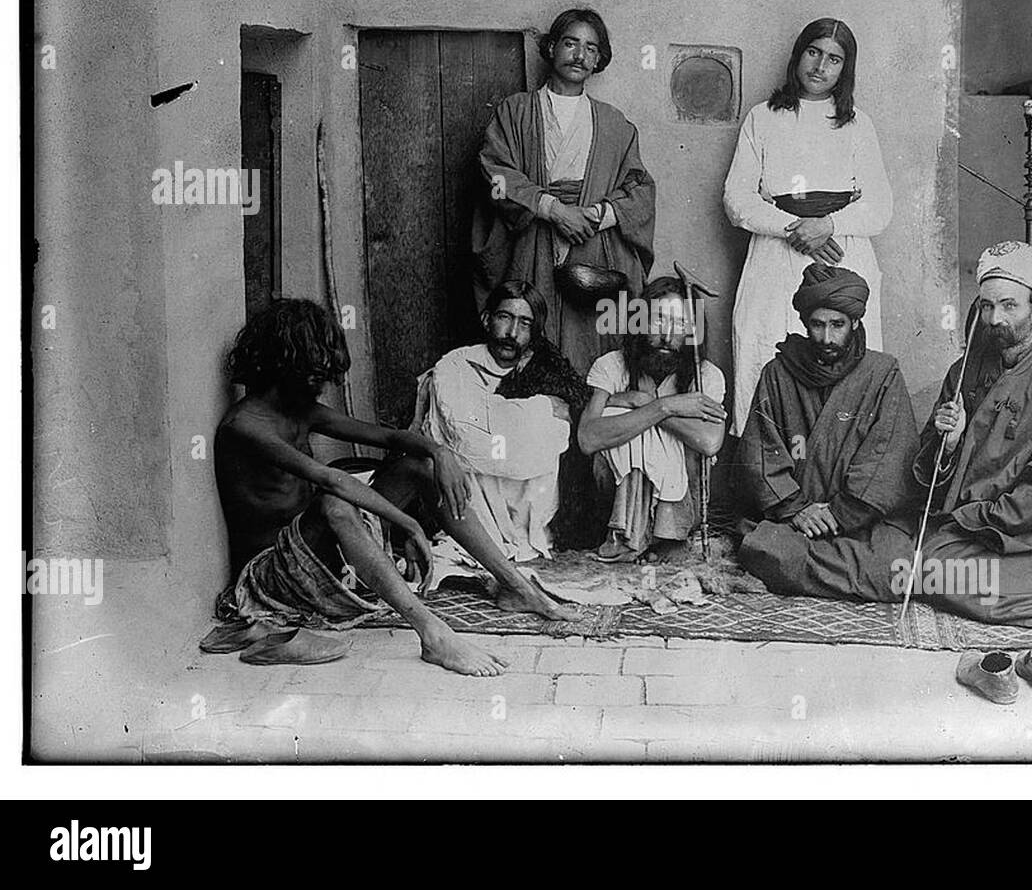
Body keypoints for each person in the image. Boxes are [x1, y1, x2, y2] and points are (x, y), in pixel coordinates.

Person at [743, 243, 1032, 628]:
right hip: (963, 527)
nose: (995, 318)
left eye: (1009, 306)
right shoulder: (963, 374)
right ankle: (780, 552)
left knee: (937, 574)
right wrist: (949, 445)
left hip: (1031, 535)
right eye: (986, 306)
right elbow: (924, 472)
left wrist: (979, 516)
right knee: (912, 564)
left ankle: (783, 555)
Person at [211, 299, 578, 676]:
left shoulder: (299, 410)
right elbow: (329, 479)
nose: (319, 387)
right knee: (334, 504)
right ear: (282, 365)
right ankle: (433, 635)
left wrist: (439, 452)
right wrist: (408, 523)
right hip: (271, 576)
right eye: (312, 376)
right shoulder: (245, 425)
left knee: (417, 467)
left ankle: (516, 587)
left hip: (316, 558)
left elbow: (387, 436)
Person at [724, 17, 894, 436]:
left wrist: (829, 225)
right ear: (799, 54)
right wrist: (795, 229)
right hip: (776, 253)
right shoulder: (762, 118)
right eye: (813, 52)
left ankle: (839, 466)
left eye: (834, 59)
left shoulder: (857, 125)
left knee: (842, 349)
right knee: (767, 345)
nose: (820, 66)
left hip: (842, 251)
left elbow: (880, 207)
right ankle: (767, 470)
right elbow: (736, 200)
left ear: (845, 69)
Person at [474, 7, 656, 373]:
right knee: (531, 332)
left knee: (593, 343)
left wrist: (597, 215)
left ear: (599, 59)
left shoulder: (614, 123)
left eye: (591, 48)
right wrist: (554, 210)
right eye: (571, 43)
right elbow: (495, 172)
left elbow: (640, 189)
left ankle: (591, 420)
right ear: (552, 47)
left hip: (595, 242)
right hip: (534, 238)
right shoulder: (516, 110)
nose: (579, 55)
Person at [735, 263, 920, 595]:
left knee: (891, 565)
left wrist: (840, 513)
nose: (827, 338)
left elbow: (888, 457)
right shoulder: (777, 373)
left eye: (837, 325)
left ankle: (805, 571)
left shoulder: (883, 373)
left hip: (861, 519)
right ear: (805, 323)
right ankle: (833, 570)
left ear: (855, 323)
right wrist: (797, 509)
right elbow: (762, 451)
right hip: (795, 518)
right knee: (765, 548)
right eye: (817, 325)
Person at [409, 279, 592, 564]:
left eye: (524, 324)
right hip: (473, 487)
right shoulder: (456, 366)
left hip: (526, 500)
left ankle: (521, 534)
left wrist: (511, 420)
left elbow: (570, 417)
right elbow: (464, 432)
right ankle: (478, 538)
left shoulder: (543, 371)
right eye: (504, 318)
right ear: (486, 319)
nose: (512, 332)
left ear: (534, 332)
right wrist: (541, 409)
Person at [577, 275, 726, 562]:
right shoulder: (611, 365)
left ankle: (664, 535)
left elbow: (709, 442)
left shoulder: (707, 374)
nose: (668, 337)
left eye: (680, 324)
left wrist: (649, 405)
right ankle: (631, 532)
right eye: (658, 321)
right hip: (613, 503)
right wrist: (664, 408)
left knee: (636, 420)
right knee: (614, 415)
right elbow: (587, 438)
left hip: (684, 504)